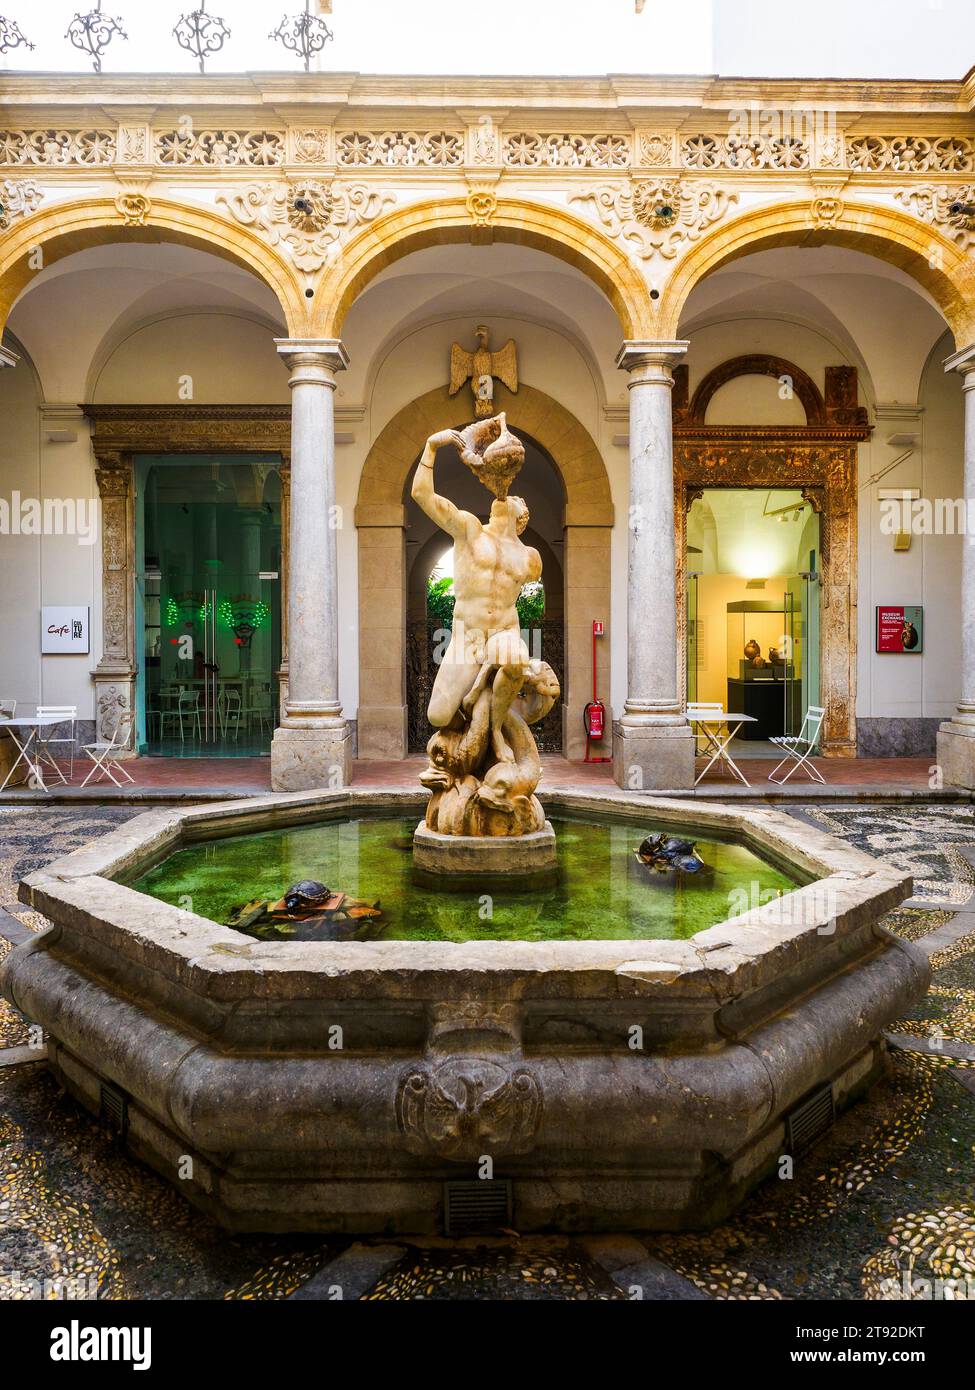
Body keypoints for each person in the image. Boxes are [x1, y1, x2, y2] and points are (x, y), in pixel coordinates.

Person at [411, 427, 541, 763]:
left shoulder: (529, 557)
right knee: (438, 715)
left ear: (521, 514)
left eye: (514, 498)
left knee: (514, 658)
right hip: (466, 639)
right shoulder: (469, 530)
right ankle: (471, 734)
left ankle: (495, 731)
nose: (505, 496)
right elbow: (422, 496)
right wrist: (431, 446)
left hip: (503, 633)